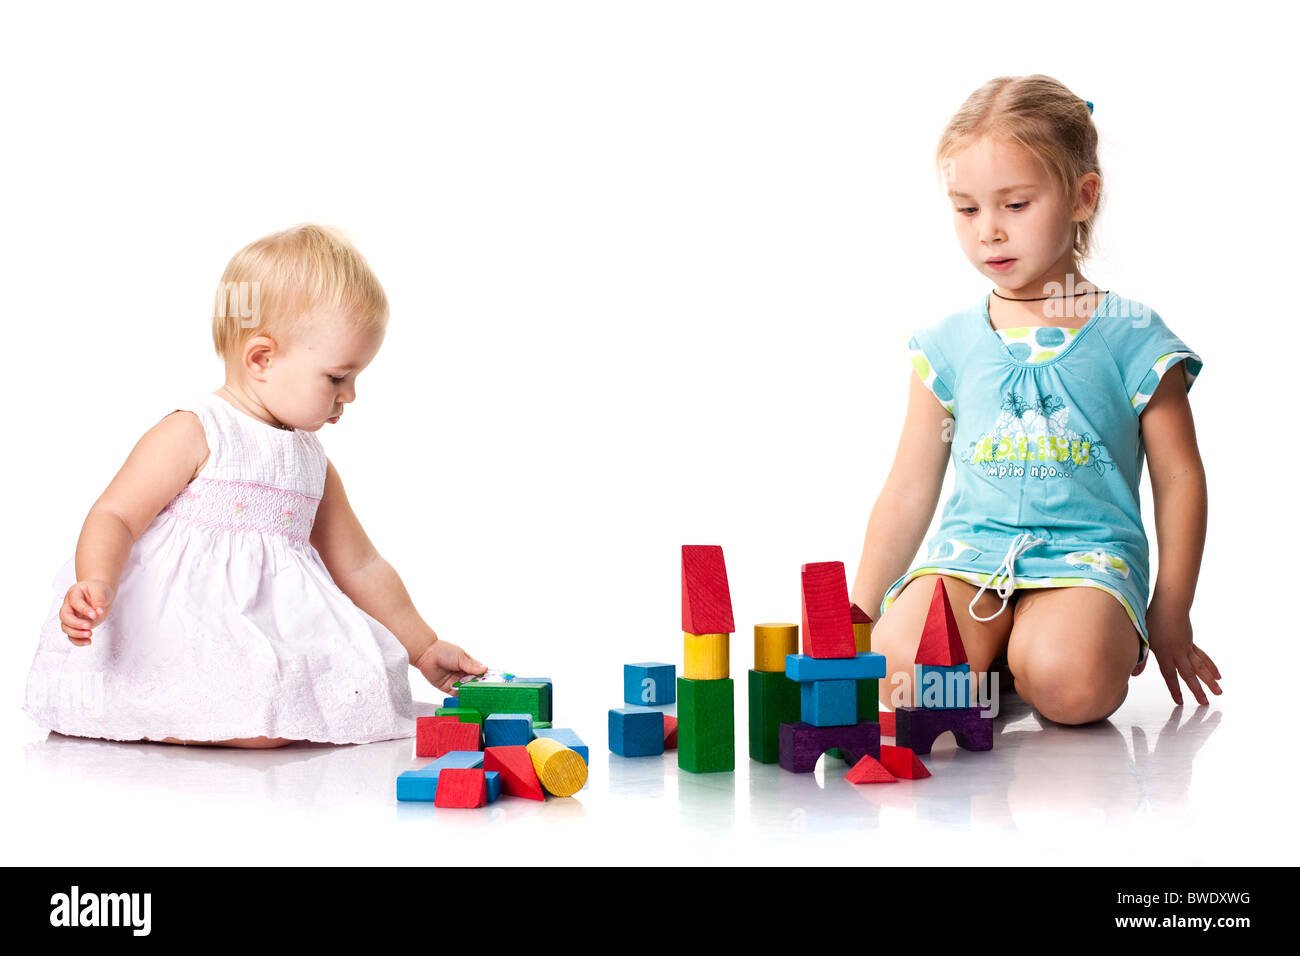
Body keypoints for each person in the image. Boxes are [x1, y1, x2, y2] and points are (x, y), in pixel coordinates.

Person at [23, 224, 485, 747]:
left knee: (332, 689)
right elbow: (117, 515)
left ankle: (243, 715)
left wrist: (422, 647)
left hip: (267, 627)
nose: (350, 395)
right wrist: (95, 580)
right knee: (233, 687)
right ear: (261, 359)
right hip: (186, 627)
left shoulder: (312, 463)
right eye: (337, 378)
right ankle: (171, 710)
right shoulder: (197, 430)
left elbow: (360, 564)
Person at [849, 76, 1220, 725]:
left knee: (1070, 685)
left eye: (1014, 204)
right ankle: (996, 670)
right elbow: (910, 485)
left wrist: (1171, 609)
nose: (988, 232)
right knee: (899, 664)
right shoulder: (948, 344)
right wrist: (856, 612)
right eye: (967, 210)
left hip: (1086, 563)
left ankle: (1029, 664)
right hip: (969, 557)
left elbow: (1179, 477)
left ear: (1082, 197)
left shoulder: (1133, 338)